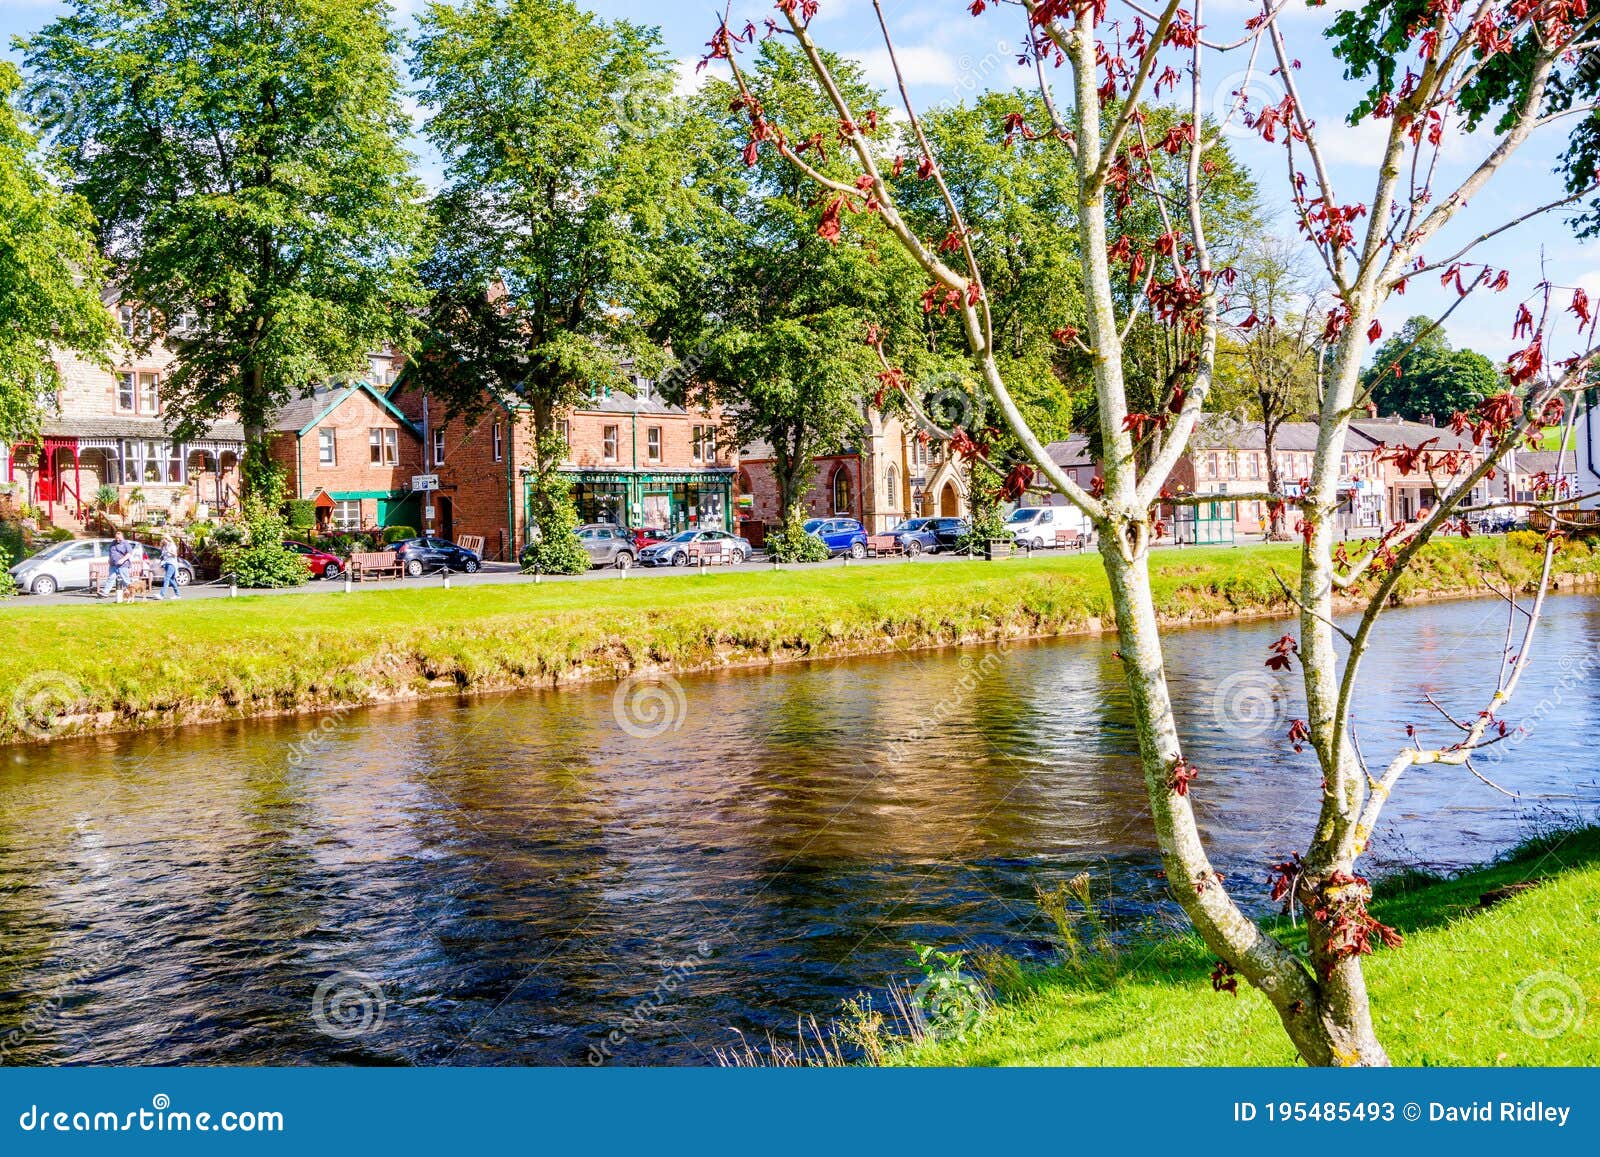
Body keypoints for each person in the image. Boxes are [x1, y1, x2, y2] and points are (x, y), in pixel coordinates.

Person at [99, 532, 137, 598]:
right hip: (113, 565)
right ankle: (105, 593)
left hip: (122, 565)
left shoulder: (126, 543)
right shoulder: (113, 543)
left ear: (122, 537)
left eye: (119, 538)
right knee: (111, 578)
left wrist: (123, 559)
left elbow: (129, 553)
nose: (118, 540)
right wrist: (109, 559)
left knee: (125, 580)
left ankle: (131, 593)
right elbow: (111, 552)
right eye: (116, 538)